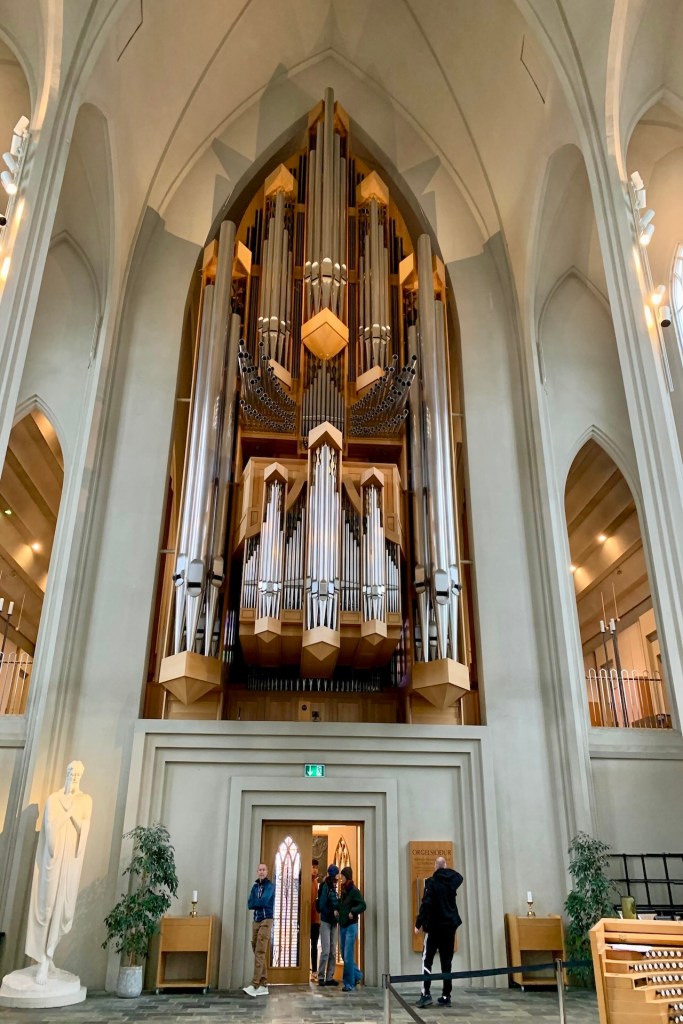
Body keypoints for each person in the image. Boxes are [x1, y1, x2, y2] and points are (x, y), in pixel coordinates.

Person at [25, 760, 92, 985]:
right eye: (71, 773)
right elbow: (50, 829)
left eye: (77, 774)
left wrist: (73, 814)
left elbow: (84, 829)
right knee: (47, 905)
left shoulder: (85, 801)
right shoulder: (54, 799)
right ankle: (42, 960)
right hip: (52, 860)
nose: (73, 777)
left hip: (70, 862)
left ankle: (49, 955)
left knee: (63, 908)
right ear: (66, 773)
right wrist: (67, 814)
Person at [414, 855, 463, 1009]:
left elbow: (426, 904)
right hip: (449, 928)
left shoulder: (431, 882)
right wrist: (445, 869)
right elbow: (459, 876)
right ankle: (446, 995)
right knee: (446, 961)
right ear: (446, 866)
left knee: (427, 960)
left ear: (435, 866)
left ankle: (426, 993)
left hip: (434, 928)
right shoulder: (451, 882)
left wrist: (418, 924)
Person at [244, 862, 274, 998]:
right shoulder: (255, 887)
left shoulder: (270, 886)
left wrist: (257, 901)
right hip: (256, 920)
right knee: (256, 950)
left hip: (266, 919)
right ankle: (263, 984)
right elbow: (250, 904)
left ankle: (255, 984)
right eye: (259, 870)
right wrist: (257, 900)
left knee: (260, 951)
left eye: (263, 869)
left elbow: (264, 901)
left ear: (267, 872)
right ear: (257, 872)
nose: (261, 872)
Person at [338, 865, 366, 991]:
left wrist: (353, 911)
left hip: (351, 926)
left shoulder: (354, 891)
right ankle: (358, 975)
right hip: (343, 925)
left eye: (342, 876)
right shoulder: (343, 891)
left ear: (347, 877)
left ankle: (348, 984)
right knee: (344, 955)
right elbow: (342, 905)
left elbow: (363, 905)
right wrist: (337, 910)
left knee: (348, 955)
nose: (340, 878)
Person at [317, 863, 340, 986]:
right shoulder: (325, 887)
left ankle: (329, 977)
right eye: (336, 876)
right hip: (326, 921)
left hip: (334, 922)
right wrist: (333, 911)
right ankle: (321, 976)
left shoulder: (334, 888)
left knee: (333, 951)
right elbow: (321, 906)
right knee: (326, 950)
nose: (337, 879)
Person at [310, 859, 320, 979]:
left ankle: (314, 971)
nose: (315, 869)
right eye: (313, 866)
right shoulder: (305, 880)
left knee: (314, 945)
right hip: (306, 918)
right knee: (303, 945)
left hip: (316, 919)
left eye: (316, 867)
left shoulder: (316, 883)